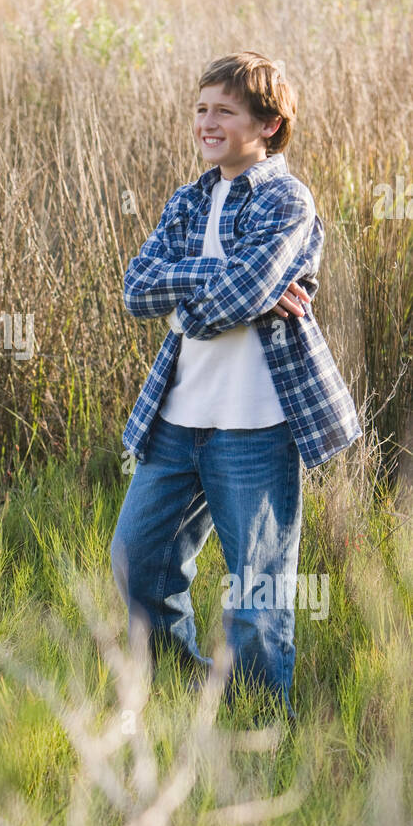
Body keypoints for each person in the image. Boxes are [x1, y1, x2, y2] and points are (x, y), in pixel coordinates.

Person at [111, 52, 361, 719]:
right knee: (137, 560)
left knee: (256, 590)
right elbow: (137, 289)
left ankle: (258, 724)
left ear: (269, 124)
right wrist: (225, 285)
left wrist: (194, 290)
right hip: (177, 416)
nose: (206, 122)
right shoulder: (190, 197)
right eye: (200, 109)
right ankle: (185, 680)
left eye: (224, 110)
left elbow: (243, 288)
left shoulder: (288, 199)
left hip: (256, 424)